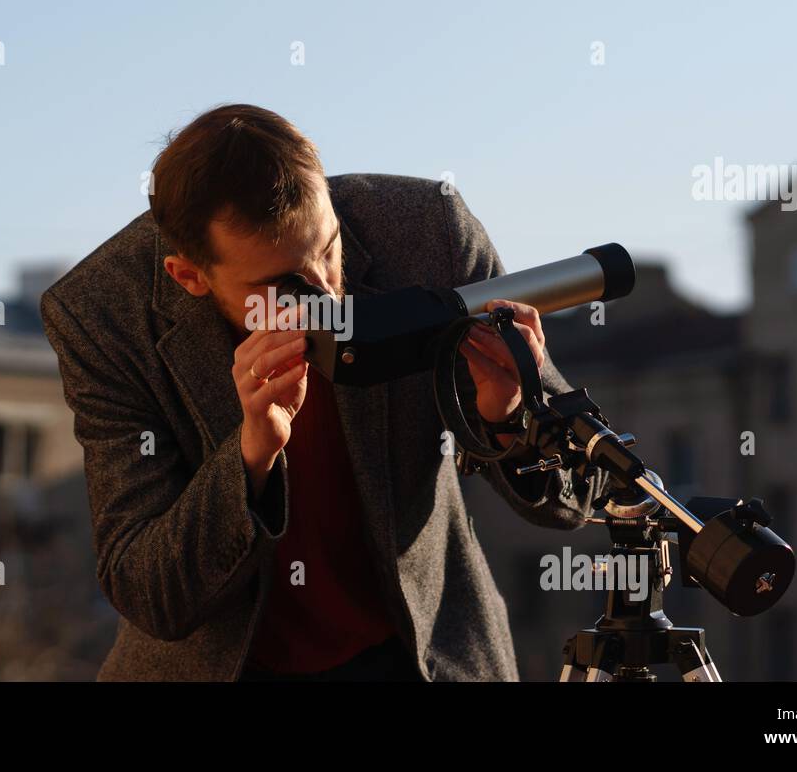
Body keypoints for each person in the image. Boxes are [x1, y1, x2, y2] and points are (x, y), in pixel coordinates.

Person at [40, 103, 607, 681]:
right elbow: (149, 590)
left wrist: (510, 413)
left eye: (330, 251)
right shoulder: (102, 314)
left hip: (417, 654)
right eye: (282, 285)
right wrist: (250, 457)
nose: (325, 297)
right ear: (190, 277)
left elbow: (578, 499)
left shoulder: (427, 234)